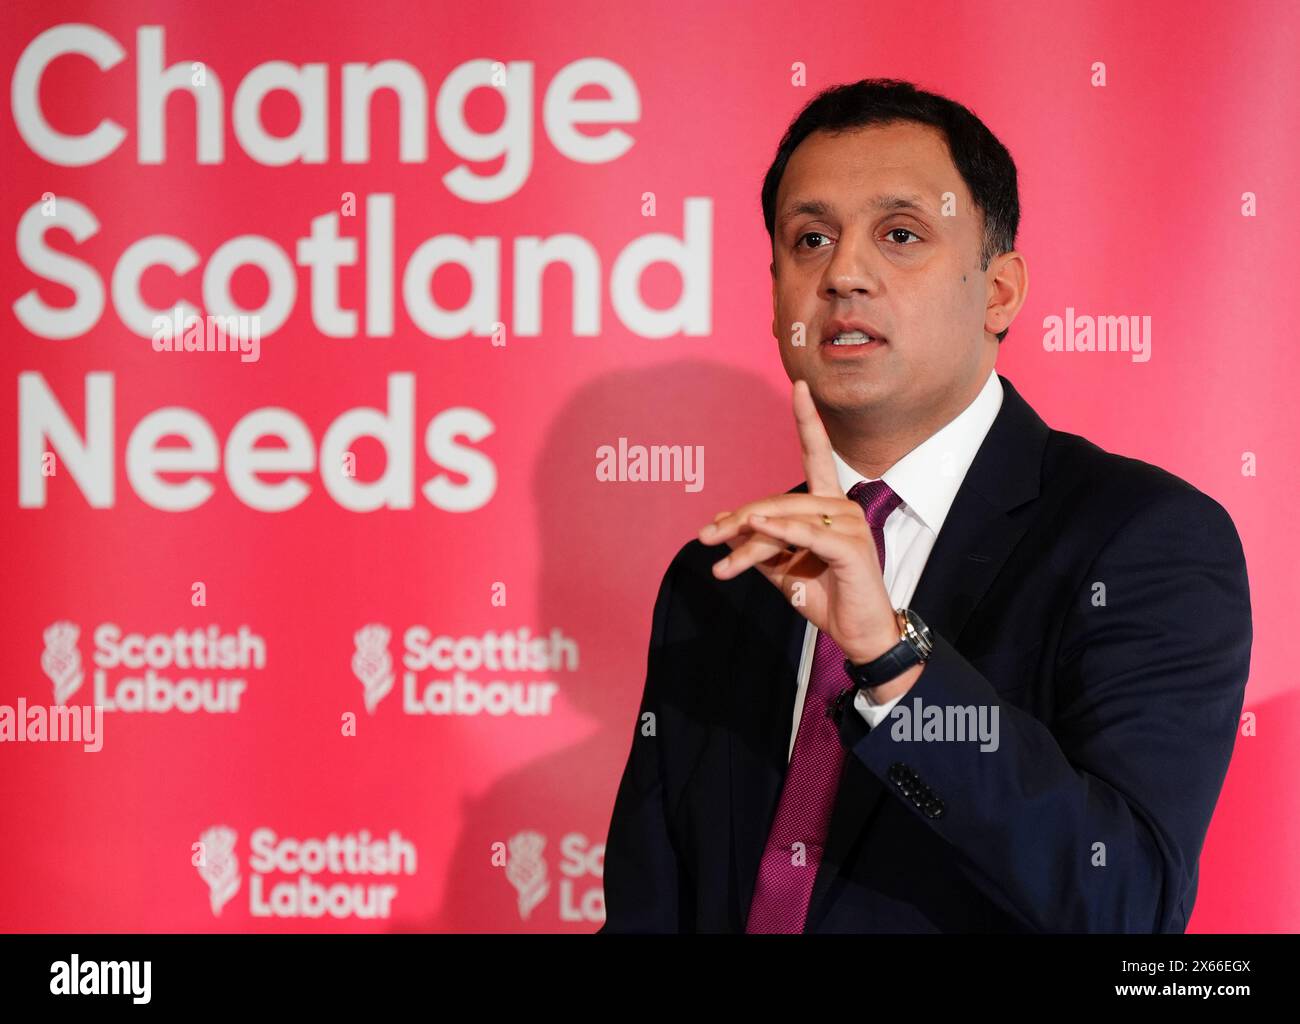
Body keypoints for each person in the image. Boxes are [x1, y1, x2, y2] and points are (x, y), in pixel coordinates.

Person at [599, 79, 1252, 933]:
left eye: (900, 235)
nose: (844, 274)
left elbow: (1125, 901)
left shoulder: (1141, 540)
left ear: (1000, 292)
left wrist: (888, 661)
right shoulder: (719, 573)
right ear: (774, 295)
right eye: (811, 239)